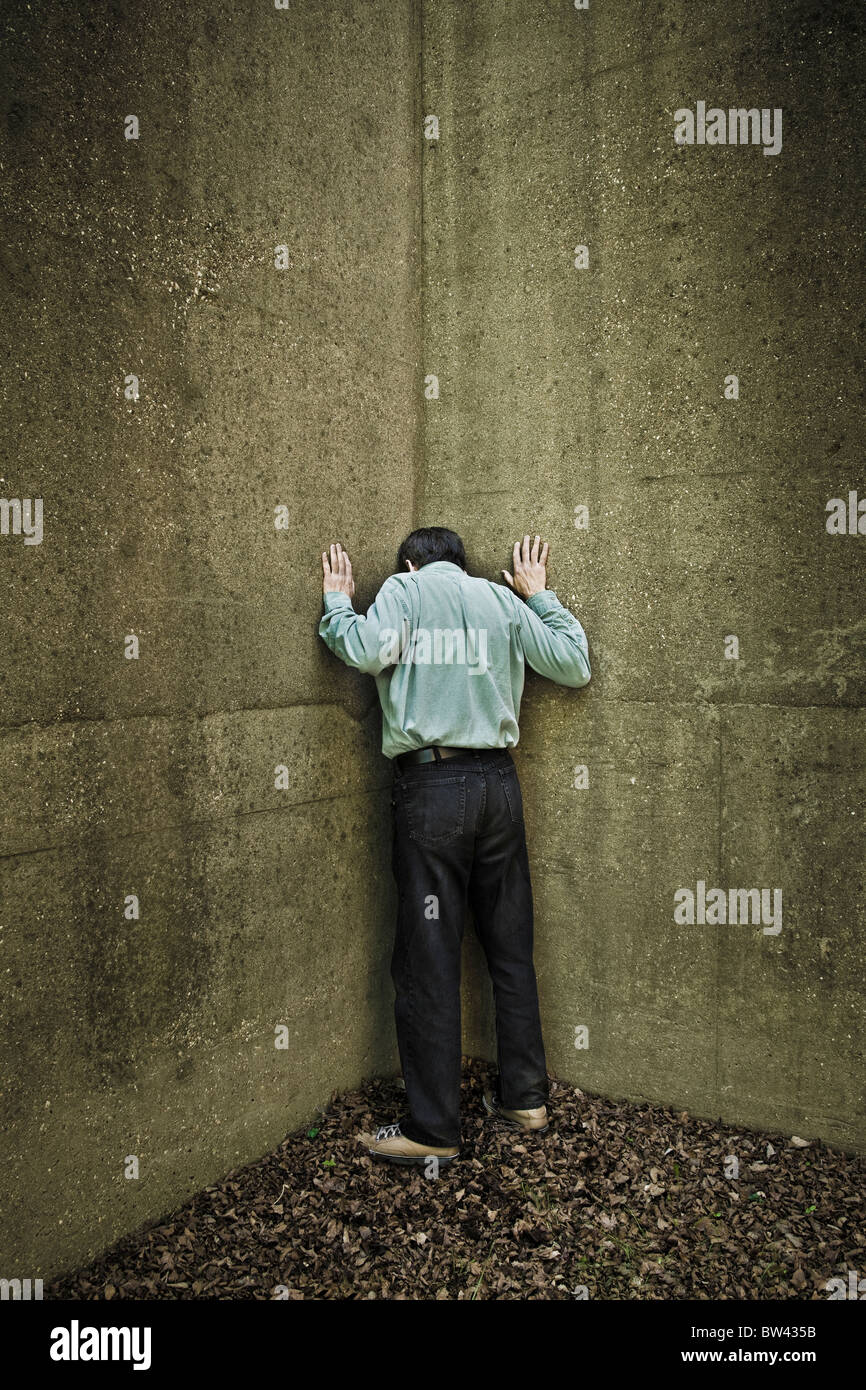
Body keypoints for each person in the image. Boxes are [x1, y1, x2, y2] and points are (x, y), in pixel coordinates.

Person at [318, 527, 591, 1167]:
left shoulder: (405, 590)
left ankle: (433, 1129)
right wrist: (540, 596)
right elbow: (575, 665)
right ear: (464, 566)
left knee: (428, 956)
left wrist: (336, 604)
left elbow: (364, 650)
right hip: (499, 785)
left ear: (412, 563)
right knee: (510, 943)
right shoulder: (501, 603)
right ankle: (524, 1098)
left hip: (433, 788)